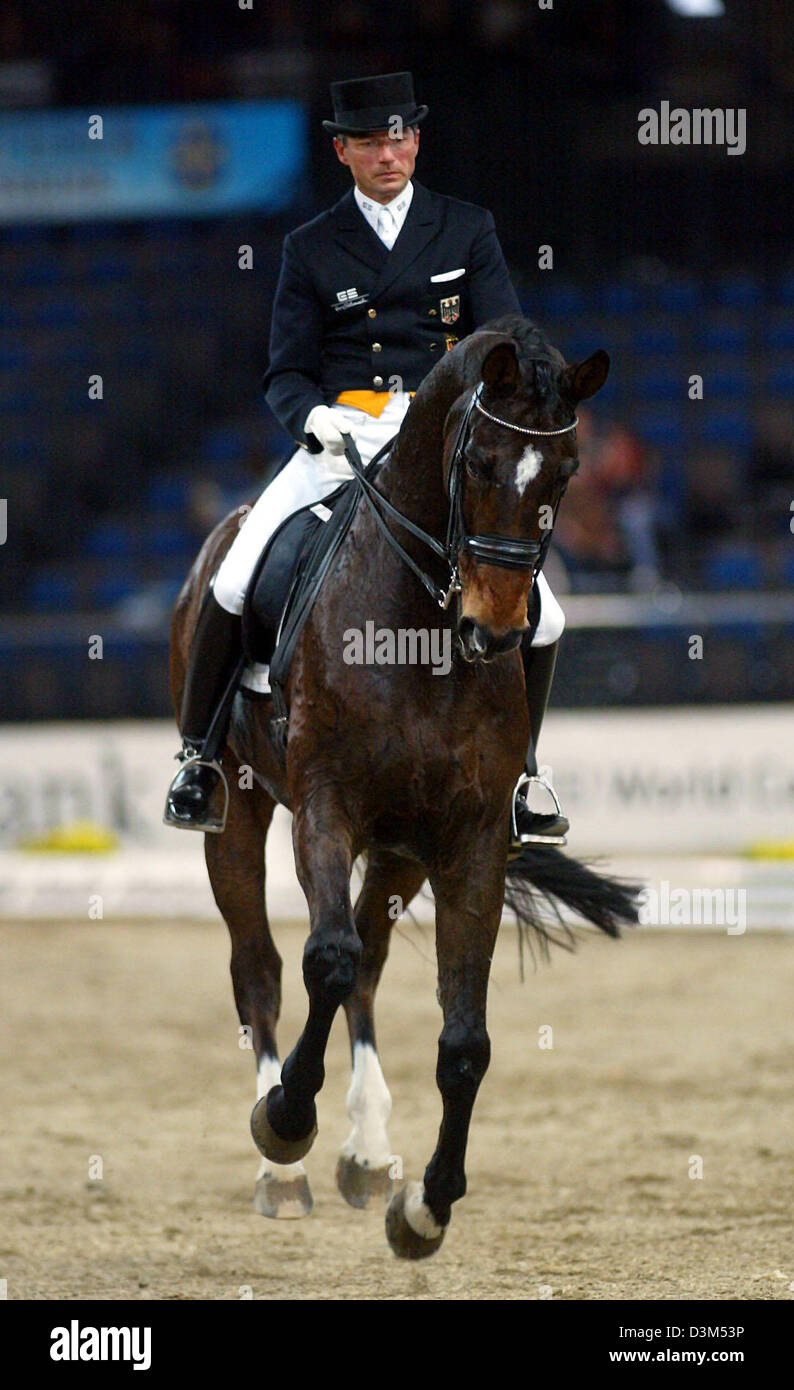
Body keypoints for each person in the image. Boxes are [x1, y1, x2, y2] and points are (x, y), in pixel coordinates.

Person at [164, 72, 568, 846]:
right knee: (234, 570)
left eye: (401, 136)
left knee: (547, 615)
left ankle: (525, 776)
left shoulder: (466, 228)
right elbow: (284, 371)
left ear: (416, 140)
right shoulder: (311, 247)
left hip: (441, 443)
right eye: (372, 141)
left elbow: (506, 343)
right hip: (342, 440)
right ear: (343, 150)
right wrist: (313, 417)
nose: (390, 152)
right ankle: (200, 758)